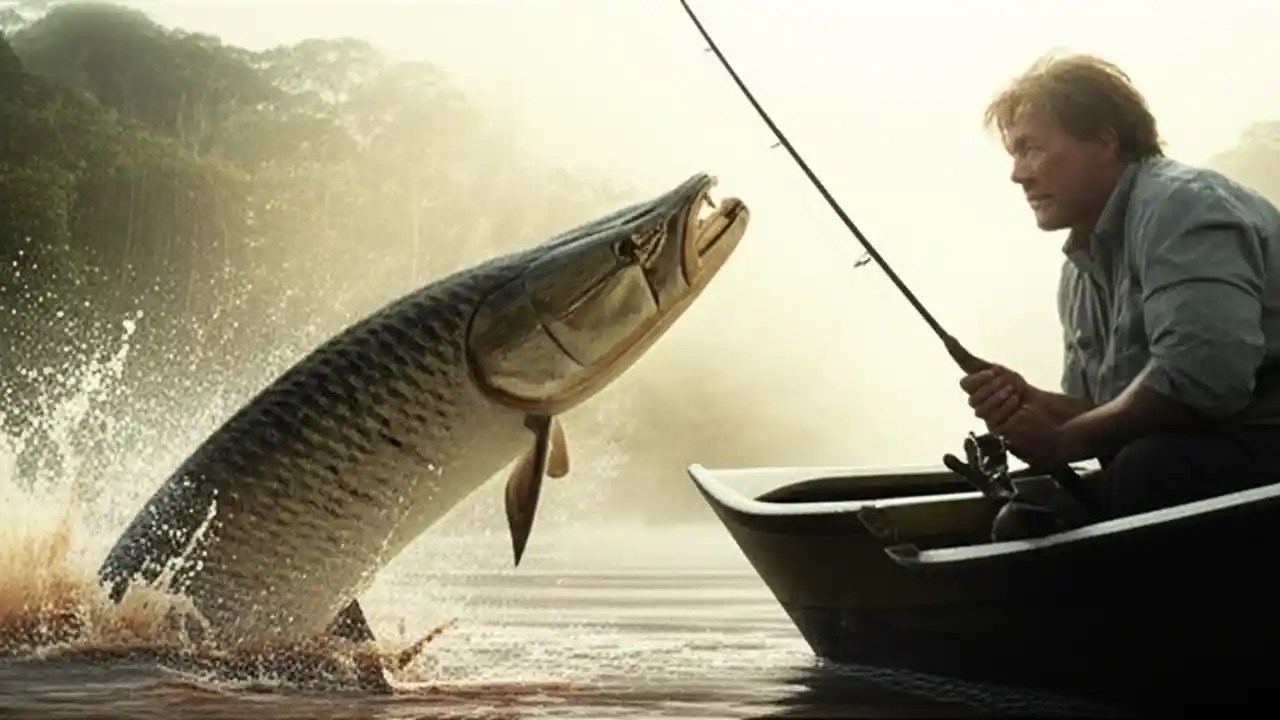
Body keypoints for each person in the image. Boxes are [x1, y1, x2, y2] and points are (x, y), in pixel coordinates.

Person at [963, 51, 1280, 538]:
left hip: (1257, 451)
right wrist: (1035, 403)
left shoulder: (1184, 207)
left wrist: (1065, 439)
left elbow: (1204, 377)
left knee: (1146, 470)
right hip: (1207, 461)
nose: (1019, 174)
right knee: (1028, 506)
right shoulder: (1078, 272)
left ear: (1104, 142)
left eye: (1031, 149)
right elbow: (1112, 409)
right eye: (1014, 155)